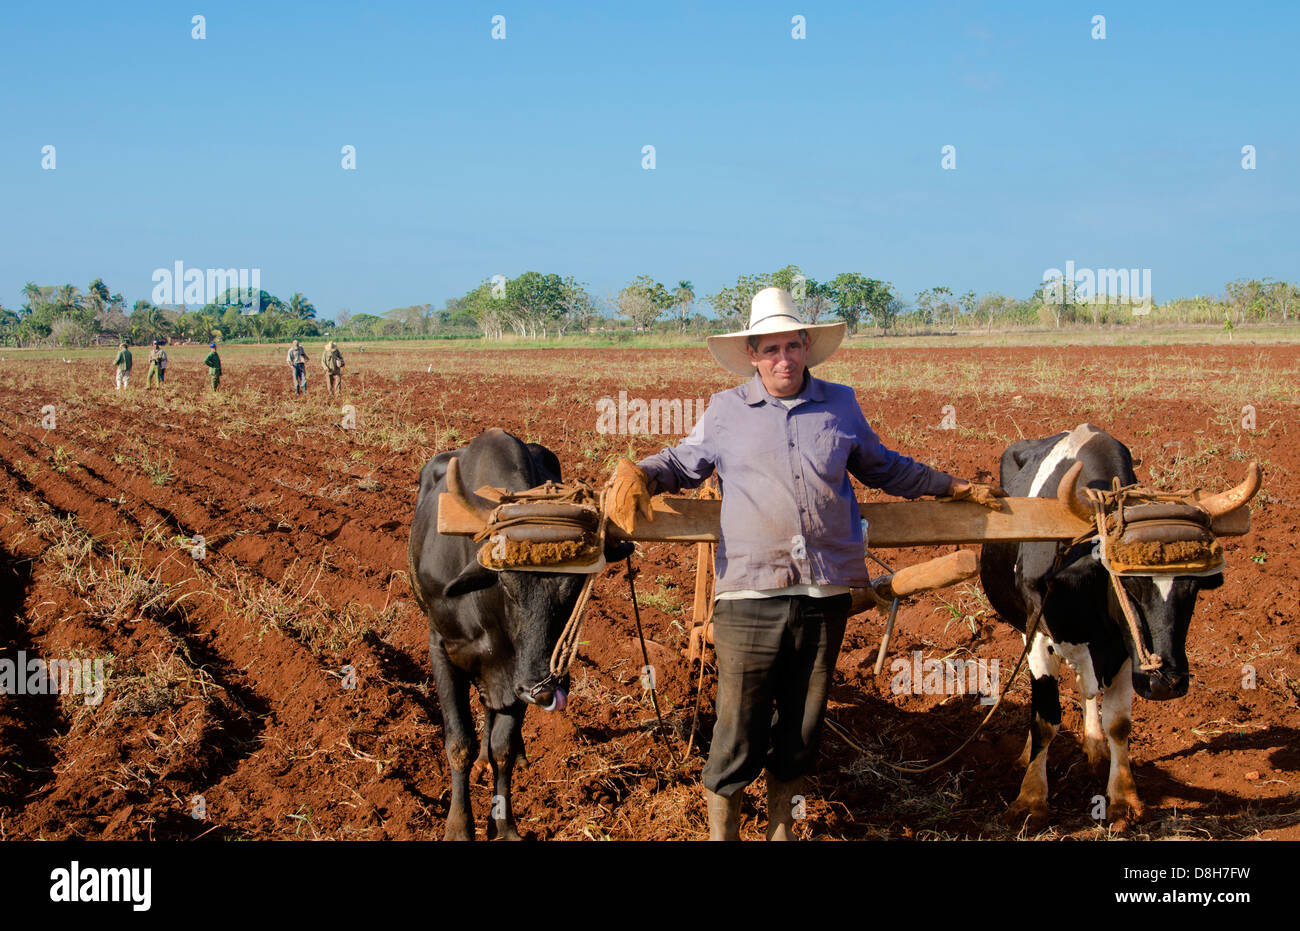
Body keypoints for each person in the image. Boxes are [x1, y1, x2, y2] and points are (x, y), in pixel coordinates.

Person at [607, 287, 1005, 841]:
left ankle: (782, 833)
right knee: (738, 728)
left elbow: (884, 467)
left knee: (800, 726)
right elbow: (681, 461)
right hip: (750, 595)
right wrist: (642, 473)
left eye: (793, 347)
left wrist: (953, 486)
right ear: (752, 354)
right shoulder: (725, 411)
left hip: (824, 596)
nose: (784, 360)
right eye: (771, 350)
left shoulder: (840, 404)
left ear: (806, 348)